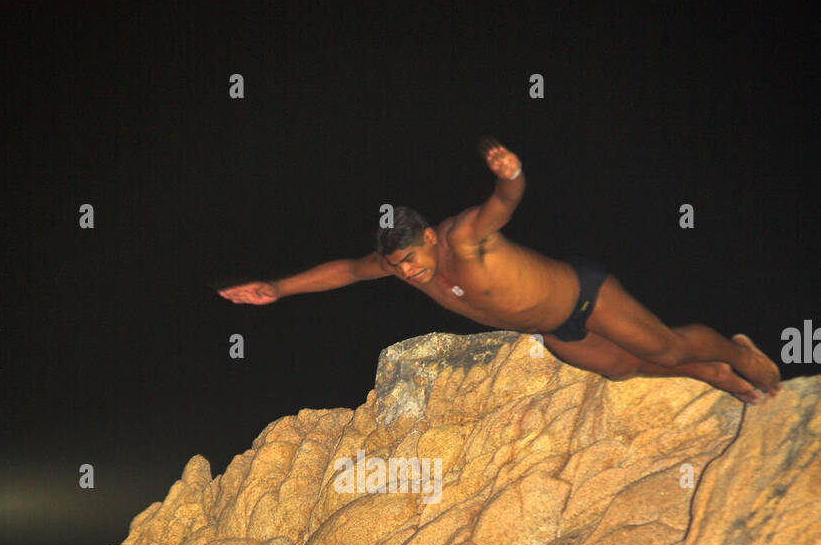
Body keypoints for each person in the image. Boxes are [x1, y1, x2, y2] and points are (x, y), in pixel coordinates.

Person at [217, 136, 781, 404]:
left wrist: (511, 174)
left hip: (586, 296)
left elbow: (504, 203)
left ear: (431, 237)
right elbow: (346, 270)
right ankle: (708, 376)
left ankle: (735, 354)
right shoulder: (398, 267)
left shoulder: (464, 237)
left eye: (411, 258)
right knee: (621, 370)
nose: (408, 272)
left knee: (667, 349)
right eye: (397, 265)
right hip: (556, 329)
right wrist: (278, 288)